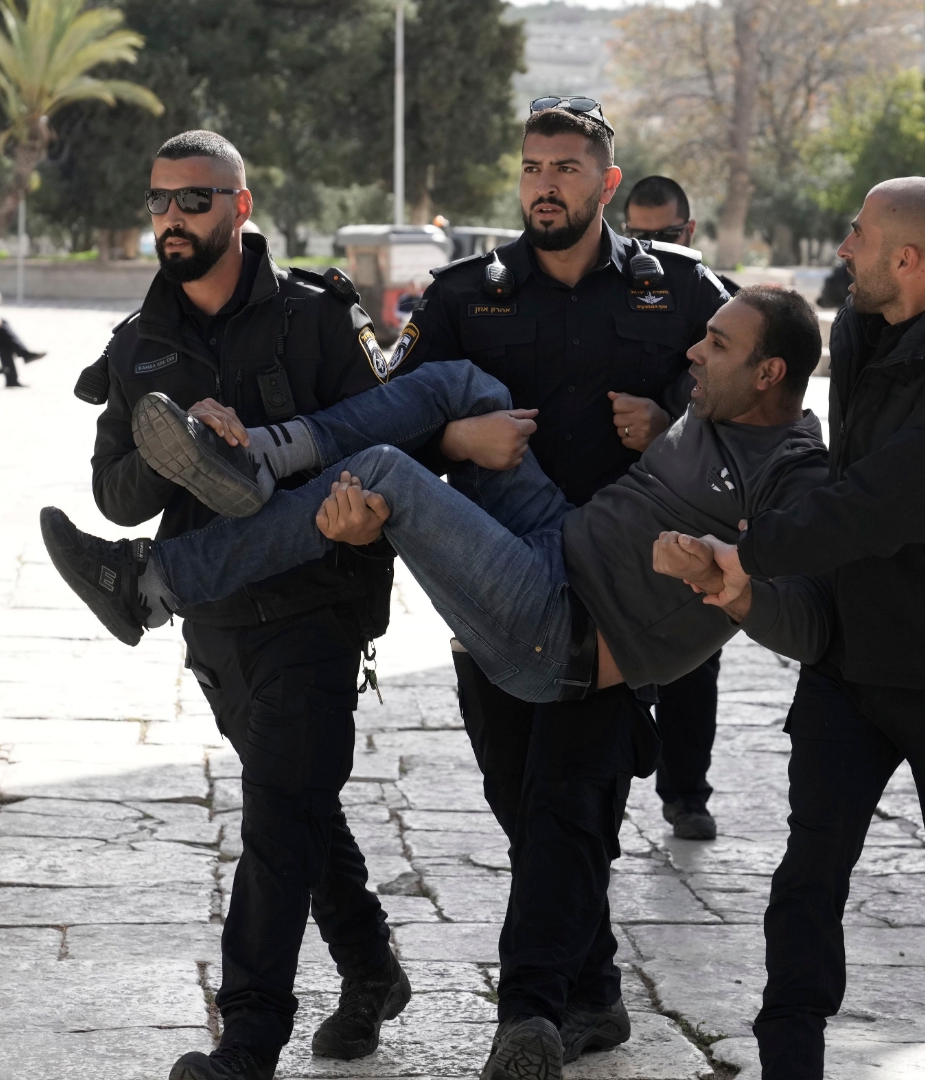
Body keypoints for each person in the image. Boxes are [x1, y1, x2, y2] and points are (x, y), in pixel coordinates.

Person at [41, 285, 828, 1080]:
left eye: (718, 345)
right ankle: (263, 455)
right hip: (555, 541)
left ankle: (150, 584)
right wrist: (646, 433)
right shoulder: (708, 412)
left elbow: (807, 621)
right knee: (460, 386)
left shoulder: (793, 474)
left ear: (770, 374)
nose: (694, 351)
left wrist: (730, 585)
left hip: (562, 629)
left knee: (388, 475)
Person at [676, 178, 925, 1080]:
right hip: (851, 664)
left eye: (857, 235)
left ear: (905, 259)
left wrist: (754, 548)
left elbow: (884, 506)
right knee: (807, 881)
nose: (843, 248)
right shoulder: (860, 329)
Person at [389, 98, 729, 1067]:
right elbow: (398, 415)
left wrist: (666, 422)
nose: (547, 184)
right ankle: (598, 989)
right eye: (534, 168)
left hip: (616, 594)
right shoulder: (463, 295)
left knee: (569, 800)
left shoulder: (688, 293)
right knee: (520, 799)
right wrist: (456, 436)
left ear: (606, 182)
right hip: (495, 590)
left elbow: (754, 412)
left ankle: (526, 1014)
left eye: (568, 168)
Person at [84, 129, 412, 1080]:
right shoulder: (138, 342)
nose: (172, 218)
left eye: (194, 199)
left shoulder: (316, 315)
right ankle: (370, 968)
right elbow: (111, 496)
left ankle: (251, 1034)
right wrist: (166, 446)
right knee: (300, 801)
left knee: (274, 819)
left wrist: (338, 501)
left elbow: (380, 441)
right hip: (215, 620)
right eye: (159, 201)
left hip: (319, 604)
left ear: (241, 203)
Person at [622, 174, 733, 839]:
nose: (651, 250)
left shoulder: (717, 303)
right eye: (637, 236)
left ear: (688, 234)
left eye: (664, 237)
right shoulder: (604, 289)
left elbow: (739, 394)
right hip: (618, 505)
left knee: (695, 659)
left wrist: (667, 417)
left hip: (692, 503)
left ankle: (685, 791)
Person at [623, 174, 740, 298]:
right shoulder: (607, 291)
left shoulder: (721, 298)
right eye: (640, 236)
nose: (652, 246)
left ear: (690, 229)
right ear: (625, 233)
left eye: (668, 235)